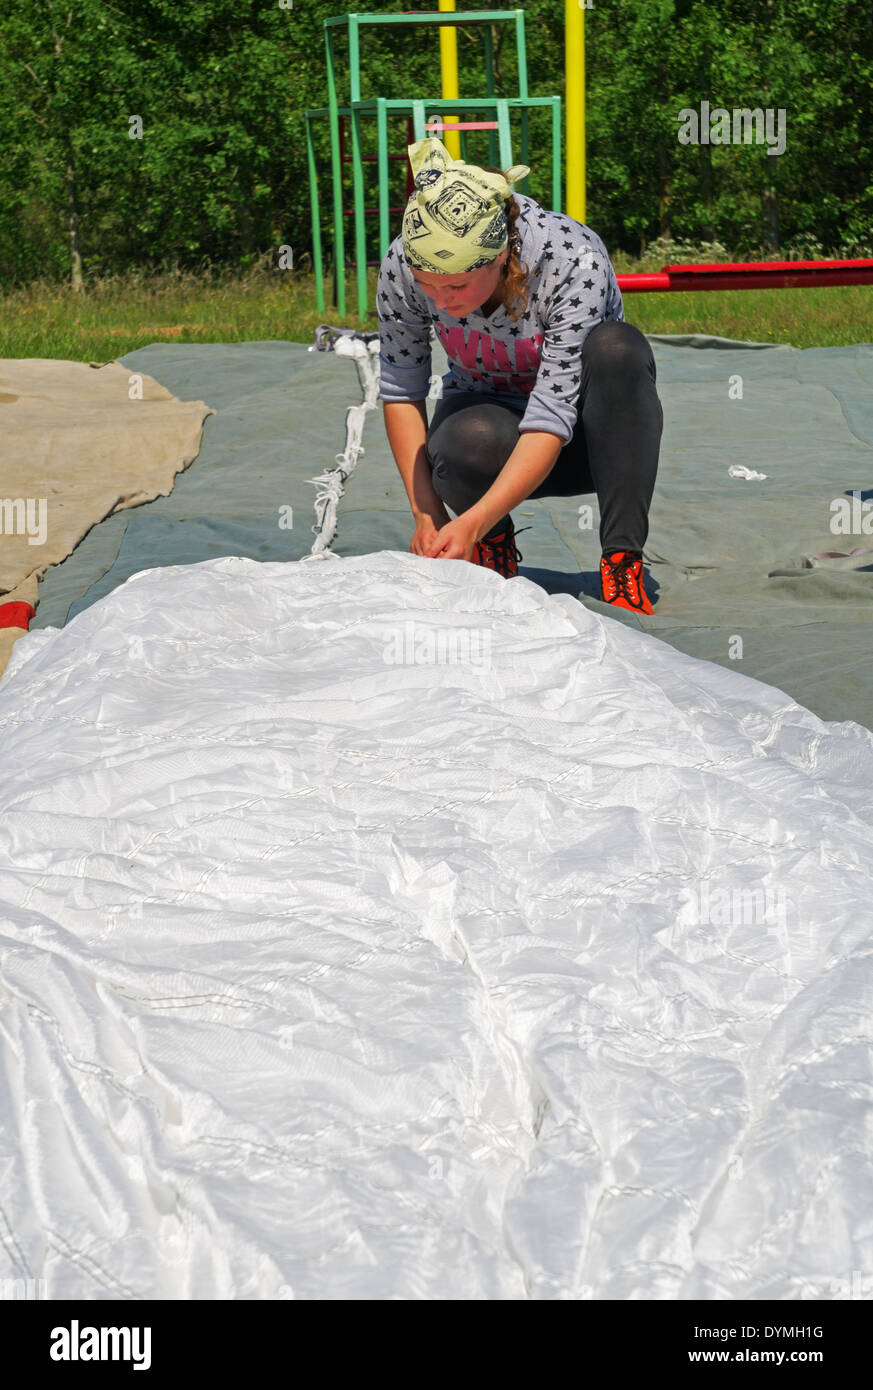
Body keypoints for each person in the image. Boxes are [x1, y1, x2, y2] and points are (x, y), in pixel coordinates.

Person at [376, 136, 663, 613]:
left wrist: (470, 521)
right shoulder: (403, 262)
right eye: (427, 287)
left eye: (456, 286)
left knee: (617, 349)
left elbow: (552, 415)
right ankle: (493, 542)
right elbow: (402, 389)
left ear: (500, 258)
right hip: (495, 433)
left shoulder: (573, 259)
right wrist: (428, 513)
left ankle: (621, 557)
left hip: (590, 442)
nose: (439, 301)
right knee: (465, 440)